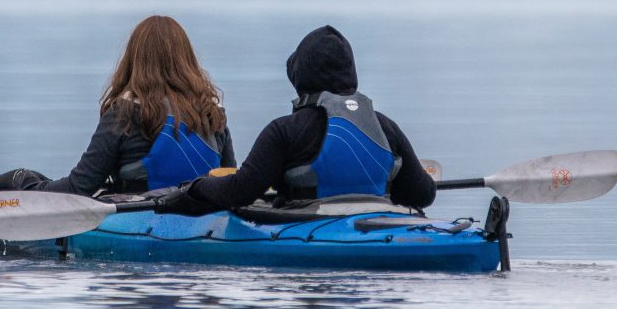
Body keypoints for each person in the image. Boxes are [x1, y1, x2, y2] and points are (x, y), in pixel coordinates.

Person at [158, 24, 435, 215]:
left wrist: (194, 188)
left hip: (309, 225)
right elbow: (423, 194)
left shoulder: (285, 131)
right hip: (379, 222)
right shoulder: (386, 128)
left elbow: (240, 192)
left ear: (301, 76)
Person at [0, 14, 235, 195]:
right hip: (203, 220)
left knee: (28, 178)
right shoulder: (211, 114)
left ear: (134, 61)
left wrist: (23, 183)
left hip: (138, 219)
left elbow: (79, 188)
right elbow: (229, 181)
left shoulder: (124, 113)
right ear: (186, 61)